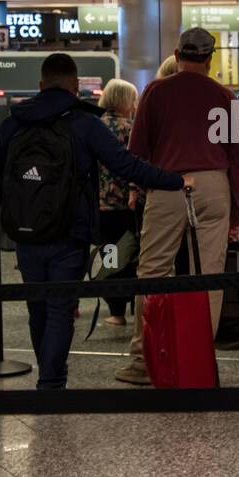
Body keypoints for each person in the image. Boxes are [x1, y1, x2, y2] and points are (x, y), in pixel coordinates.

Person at [0, 54, 188, 389]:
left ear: (40, 85)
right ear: (75, 86)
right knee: (60, 307)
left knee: (37, 307)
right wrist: (176, 180)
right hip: (70, 231)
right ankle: (51, 383)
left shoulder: (14, 122)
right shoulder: (82, 122)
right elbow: (127, 166)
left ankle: (49, 375)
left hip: (26, 233)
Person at [116, 28, 239, 385]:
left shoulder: (157, 92)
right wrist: (236, 214)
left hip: (168, 184)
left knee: (154, 272)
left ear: (177, 54)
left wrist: (135, 185)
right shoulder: (225, 96)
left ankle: (144, 362)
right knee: (207, 277)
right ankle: (196, 358)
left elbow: (138, 148)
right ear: (210, 57)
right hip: (214, 186)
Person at [96, 78, 141, 325]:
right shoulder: (131, 129)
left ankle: (116, 310)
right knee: (130, 252)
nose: (134, 105)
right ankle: (132, 303)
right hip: (127, 203)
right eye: (132, 100)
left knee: (109, 254)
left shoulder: (96, 126)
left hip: (101, 204)